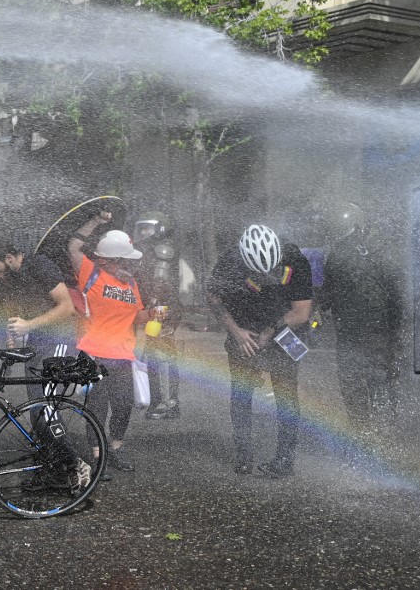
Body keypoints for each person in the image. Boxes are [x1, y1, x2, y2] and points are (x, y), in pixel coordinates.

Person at [0, 237, 91, 490]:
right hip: (37, 345)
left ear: (9, 258)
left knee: (45, 408)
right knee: (36, 412)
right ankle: (54, 471)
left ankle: (76, 464)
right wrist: (13, 332)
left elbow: (67, 307)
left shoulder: (40, 265)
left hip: (59, 341)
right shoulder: (12, 277)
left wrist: (29, 325)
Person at [208, 224, 313, 478]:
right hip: (244, 327)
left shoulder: (295, 259)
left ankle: (284, 460)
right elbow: (213, 299)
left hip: (284, 328)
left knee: (287, 396)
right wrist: (236, 332)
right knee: (242, 392)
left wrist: (271, 331)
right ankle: (244, 454)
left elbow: (301, 313)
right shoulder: (230, 261)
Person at [67, 212, 152, 474]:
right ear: (110, 260)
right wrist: (96, 222)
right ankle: (98, 455)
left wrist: (156, 314)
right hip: (93, 354)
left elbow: (137, 316)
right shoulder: (91, 273)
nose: (131, 266)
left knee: (124, 405)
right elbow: (73, 246)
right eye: (126, 260)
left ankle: (116, 446)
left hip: (123, 355)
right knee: (96, 408)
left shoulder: (131, 284)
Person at [321, 202, 405, 436]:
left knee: (363, 388)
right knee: (373, 386)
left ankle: (370, 437)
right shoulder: (378, 250)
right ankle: (379, 437)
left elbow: (326, 298)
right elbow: (397, 294)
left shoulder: (343, 254)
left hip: (362, 335)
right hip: (369, 334)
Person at [132, 211, 186, 420]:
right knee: (155, 355)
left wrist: (155, 310)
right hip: (159, 310)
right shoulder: (151, 250)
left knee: (160, 356)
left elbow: (159, 284)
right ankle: (158, 400)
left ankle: (167, 403)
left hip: (161, 311)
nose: (144, 232)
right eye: (142, 228)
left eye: (148, 228)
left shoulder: (162, 251)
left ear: (160, 228)